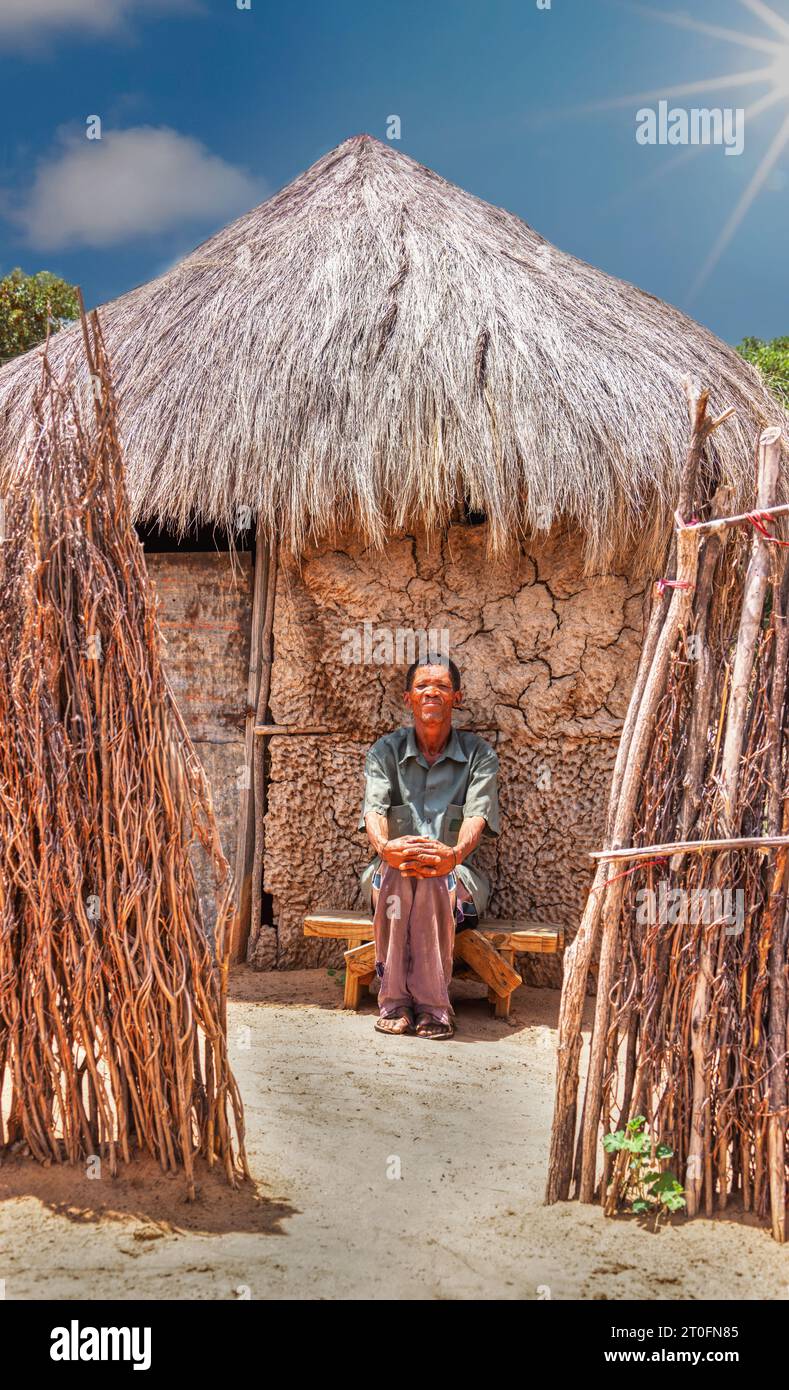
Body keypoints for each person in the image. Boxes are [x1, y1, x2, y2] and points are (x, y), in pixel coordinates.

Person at [358, 658, 499, 1039]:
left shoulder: (478, 754)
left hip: (456, 880)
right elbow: (373, 809)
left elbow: (478, 817)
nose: (431, 692)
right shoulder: (385, 751)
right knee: (398, 873)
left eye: (440, 686)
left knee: (437, 877)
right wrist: (386, 848)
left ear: (457, 696)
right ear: (409, 698)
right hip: (390, 878)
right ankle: (396, 1002)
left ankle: (433, 1007)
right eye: (422, 687)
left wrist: (450, 856)